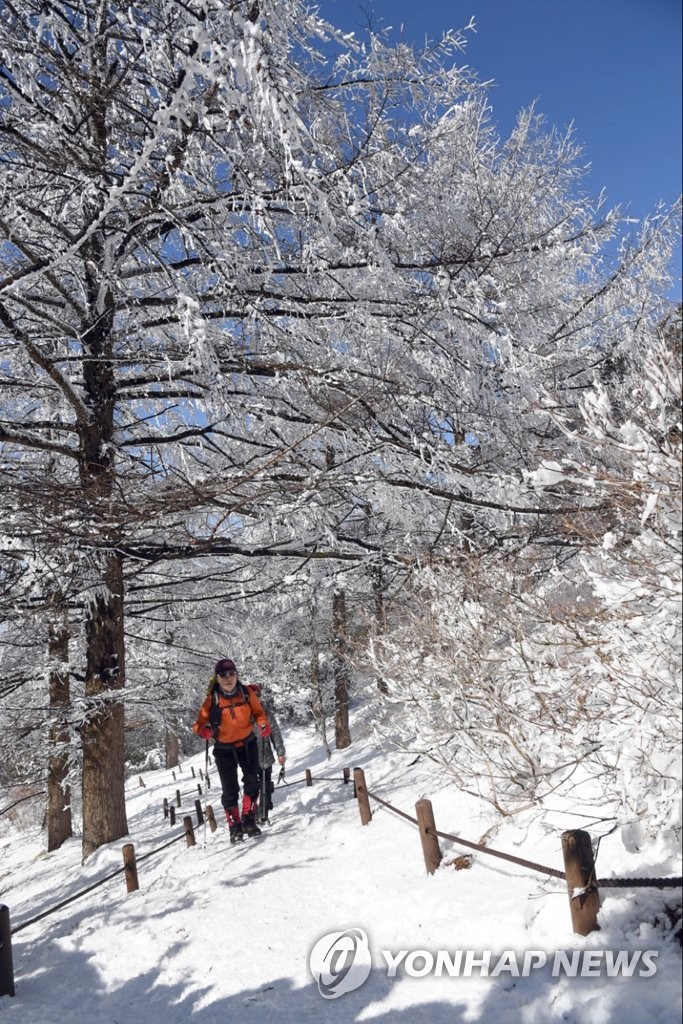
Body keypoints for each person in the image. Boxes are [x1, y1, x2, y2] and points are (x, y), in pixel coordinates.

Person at [192, 658, 271, 843]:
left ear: (236, 675)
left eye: (231, 674)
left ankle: (249, 820)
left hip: (247, 743)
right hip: (223, 748)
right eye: (223, 675)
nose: (228, 678)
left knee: (252, 780)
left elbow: (259, 712)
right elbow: (198, 725)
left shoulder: (246, 693)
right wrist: (203, 731)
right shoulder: (212, 700)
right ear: (218, 678)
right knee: (230, 789)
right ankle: (235, 827)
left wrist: (262, 723)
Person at [249, 684, 286, 821]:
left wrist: (280, 752)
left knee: (264, 784)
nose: (256, 699)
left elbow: (275, 733)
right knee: (253, 786)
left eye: (257, 696)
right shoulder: (244, 716)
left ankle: (263, 812)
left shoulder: (266, 714)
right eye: (253, 697)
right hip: (249, 758)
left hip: (265, 756)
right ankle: (255, 810)